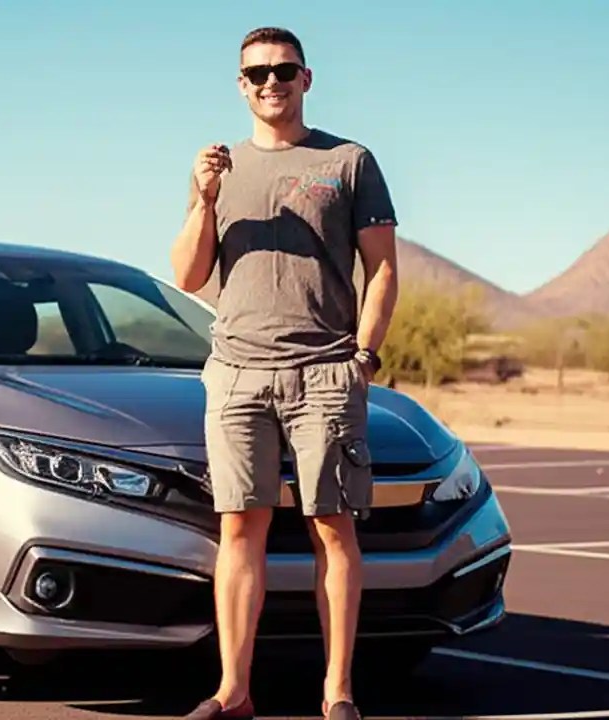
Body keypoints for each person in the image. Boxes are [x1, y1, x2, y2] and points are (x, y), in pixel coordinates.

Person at [169, 26, 400, 720]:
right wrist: (203, 198)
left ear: (306, 78)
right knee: (241, 529)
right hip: (237, 374)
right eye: (258, 74)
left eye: (284, 70)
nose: (272, 83)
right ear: (242, 85)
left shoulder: (348, 162)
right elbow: (187, 274)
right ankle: (233, 691)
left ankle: (337, 691)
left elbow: (383, 267)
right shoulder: (219, 166)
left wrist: (361, 356)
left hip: (326, 372)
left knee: (334, 528)